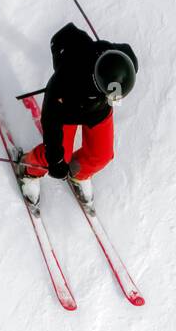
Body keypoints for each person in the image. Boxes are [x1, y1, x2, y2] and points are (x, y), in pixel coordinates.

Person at [16, 22, 138, 208]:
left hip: (98, 111)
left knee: (102, 155)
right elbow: (51, 121)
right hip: (69, 113)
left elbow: (127, 52)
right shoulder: (65, 83)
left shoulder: (120, 62)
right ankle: (28, 168)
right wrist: (56, 161)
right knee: (58, 155)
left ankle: (78, 174)